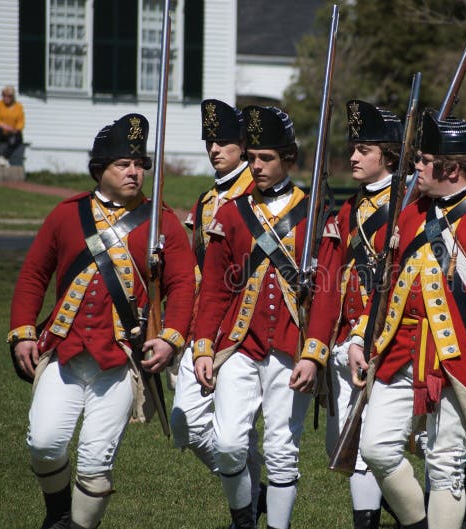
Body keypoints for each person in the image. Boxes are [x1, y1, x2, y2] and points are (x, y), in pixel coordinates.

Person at [346, 111, 466, 529]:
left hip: (460, 360)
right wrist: (360, 338)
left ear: (451, 168)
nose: (416, 166)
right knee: (377, 450)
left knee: (445, 464)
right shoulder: (411, 212)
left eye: (424, 159)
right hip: (397, 352)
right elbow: (386, 284)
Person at [7, 113, 196, 529]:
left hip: (121, 359)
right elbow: (34, 274)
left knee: (95, 458)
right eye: (123, 164)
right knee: (43, 443)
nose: (135, 171)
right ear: (100, 170)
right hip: (64, 352)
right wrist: (23, 332)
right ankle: (57, 514)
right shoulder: (66, 214)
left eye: (140, 164)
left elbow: (183, 284)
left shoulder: (160, 220)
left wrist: (169, 338)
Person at [192, 105, 314, 529]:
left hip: (289, 345)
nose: (256, 166)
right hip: (238, 344)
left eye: (266, 159)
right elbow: (213, 289)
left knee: (281, 448)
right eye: (252, 158)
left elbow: (326, 300)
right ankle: (243, 519)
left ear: (289, 160)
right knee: (227, 443)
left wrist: (313, 353)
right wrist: (204, 345)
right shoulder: (230, 212)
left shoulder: (313, 213)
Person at [300, 99, 401, 529]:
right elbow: (326, 287)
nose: (353, 156)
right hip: (347, 344)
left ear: (388, 156)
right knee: (344, 446)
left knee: (372, 449)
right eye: (353, 148)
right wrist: (315, 350)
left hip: (391, 341)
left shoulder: (411, 206)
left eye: (364, 149)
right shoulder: (344, 212)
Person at [170, 98, 266, 527]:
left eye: (224, 141)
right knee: (185, 424)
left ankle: (248, 505)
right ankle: (253, 490)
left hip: (249, 327)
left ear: (243, 145)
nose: (215, 149)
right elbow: (197, 267)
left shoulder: (258, 192)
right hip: (206, 325)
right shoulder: (208, 199)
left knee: (235, 433)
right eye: (210, 141)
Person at [0, 85, 25, 166]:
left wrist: (16, 130)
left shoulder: (19, 107)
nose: (6, 98)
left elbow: (21, 122)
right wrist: (8, 128)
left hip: (10, 133)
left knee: (19, 137)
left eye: (9, 96)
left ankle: (3, 157)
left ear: (13, 97)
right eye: (4, 95)